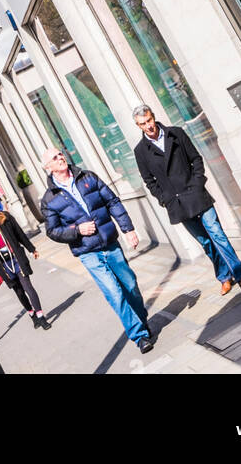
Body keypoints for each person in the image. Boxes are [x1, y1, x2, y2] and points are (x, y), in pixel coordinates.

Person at [40, 147, 153, 354]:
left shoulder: (88, 177)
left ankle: (142, 321)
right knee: (114, 293)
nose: (60, 158)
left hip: (110, 243)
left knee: (130, 286)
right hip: (87, 252)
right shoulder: (49, 199)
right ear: (48, 168)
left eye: (60, 154)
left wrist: (128, 229)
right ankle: (139, 335)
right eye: (55, 158)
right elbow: (52, 231)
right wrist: (76, 230)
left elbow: (112, 202)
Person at [133, 105, 241, 296]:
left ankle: (240, 275)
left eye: (148, 120)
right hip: (177, 203)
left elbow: (196, 159)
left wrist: (198, 183)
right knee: (205, 242)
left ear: (153, 117)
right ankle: (224, 276)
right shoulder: (140, 151)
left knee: (217, 233)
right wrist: (164, 199)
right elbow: (149, 181)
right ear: (138, 126)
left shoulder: (176, 133)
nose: (148, 126)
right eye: (142, 124)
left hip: (196, 193)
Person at [0, 196, 51, 330]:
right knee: (19, 292)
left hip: (17, 258)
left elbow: (20, 234)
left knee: (28, 288)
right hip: (3, 264)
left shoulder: (4, 217)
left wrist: (31, 248)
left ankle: (41, 316)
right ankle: (32, 314)